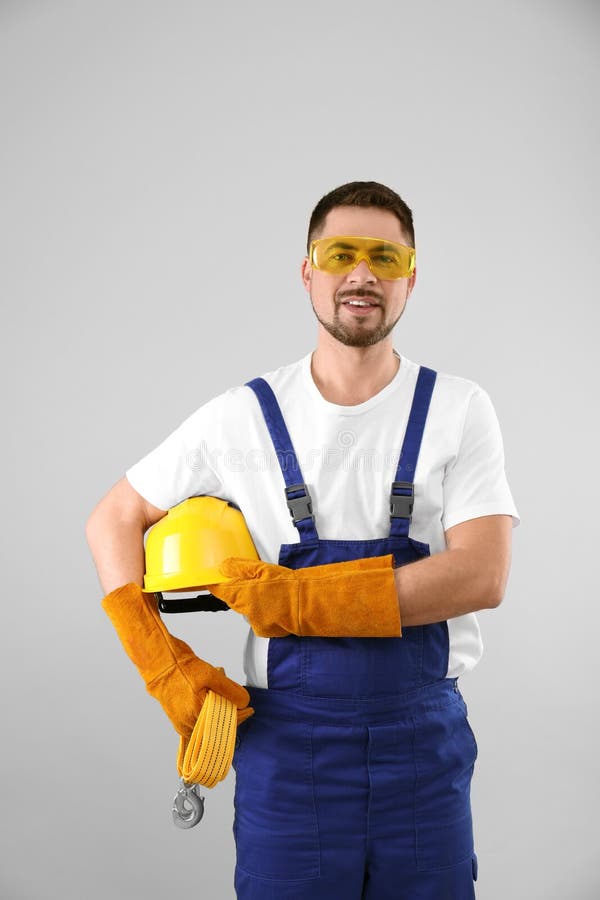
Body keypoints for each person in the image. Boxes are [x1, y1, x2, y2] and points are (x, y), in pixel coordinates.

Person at [86, 181, 519, 899]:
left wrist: (295, 599)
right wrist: (161, 662)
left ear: (411, 276)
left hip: (421, 751)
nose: (362, 273)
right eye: (340, 253)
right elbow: (114, 516)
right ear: (308, 270)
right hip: (290, 756)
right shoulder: (242, 416)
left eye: (386, 256)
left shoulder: (458, 408)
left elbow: (482, 576)